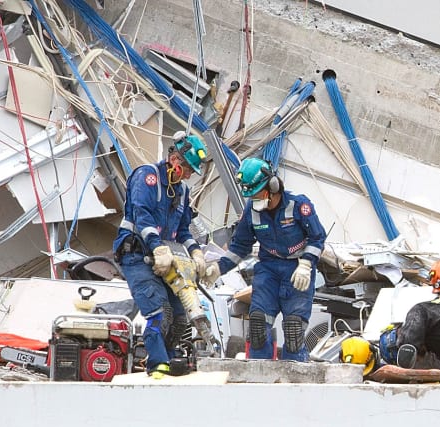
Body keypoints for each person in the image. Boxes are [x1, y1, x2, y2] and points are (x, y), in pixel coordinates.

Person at [203, 158, 327, 361]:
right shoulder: (252, 211)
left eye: (258, 193)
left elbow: (317, 237)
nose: (254, 199)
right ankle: (259, 374)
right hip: (268, 270)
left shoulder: (299, 205)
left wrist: (306, 264)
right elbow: (239, 246)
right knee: (258, 326)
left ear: (273, 186)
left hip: (297, 271)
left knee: (294, 329)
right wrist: (218, 268)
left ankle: (295, 379)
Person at [113, 132, 210, 379]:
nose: (189, 175)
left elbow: (183, 230)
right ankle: (157, 365)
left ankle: (167, 359)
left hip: (166, 260)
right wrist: (156, 246)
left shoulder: (182, 192)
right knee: (159, 311)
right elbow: (142, 215)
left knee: (179, 317)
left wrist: (196, 252)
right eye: (188, 169)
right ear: (175, 160)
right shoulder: (147, 177)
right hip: (137, 255)